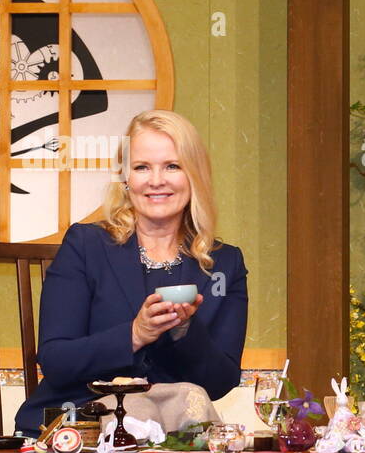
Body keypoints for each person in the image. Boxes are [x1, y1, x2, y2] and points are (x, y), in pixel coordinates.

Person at [14, 110, 248, 435]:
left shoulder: (225, 264)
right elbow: (56, 360)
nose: (156, 181)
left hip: (173, 434)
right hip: (80, 429)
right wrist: (135, 334)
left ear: (194, 175)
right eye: (141, 167)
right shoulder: (86, 245)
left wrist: (184, 331)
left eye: (172, 166)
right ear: (125, 178)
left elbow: (221, 382)